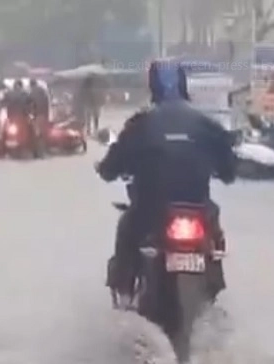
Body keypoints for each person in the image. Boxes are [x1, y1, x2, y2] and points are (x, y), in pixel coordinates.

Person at [95, 59, 236, 304]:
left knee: (127, 228)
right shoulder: (206, 125)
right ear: (184, 85)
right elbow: (230, 169)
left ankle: (125, 292)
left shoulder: (141, 124)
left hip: (151, 208)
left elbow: (112, 166)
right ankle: (213, 284)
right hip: (198, 205)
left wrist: (107, 169)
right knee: (214, 225)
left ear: (153, 87)